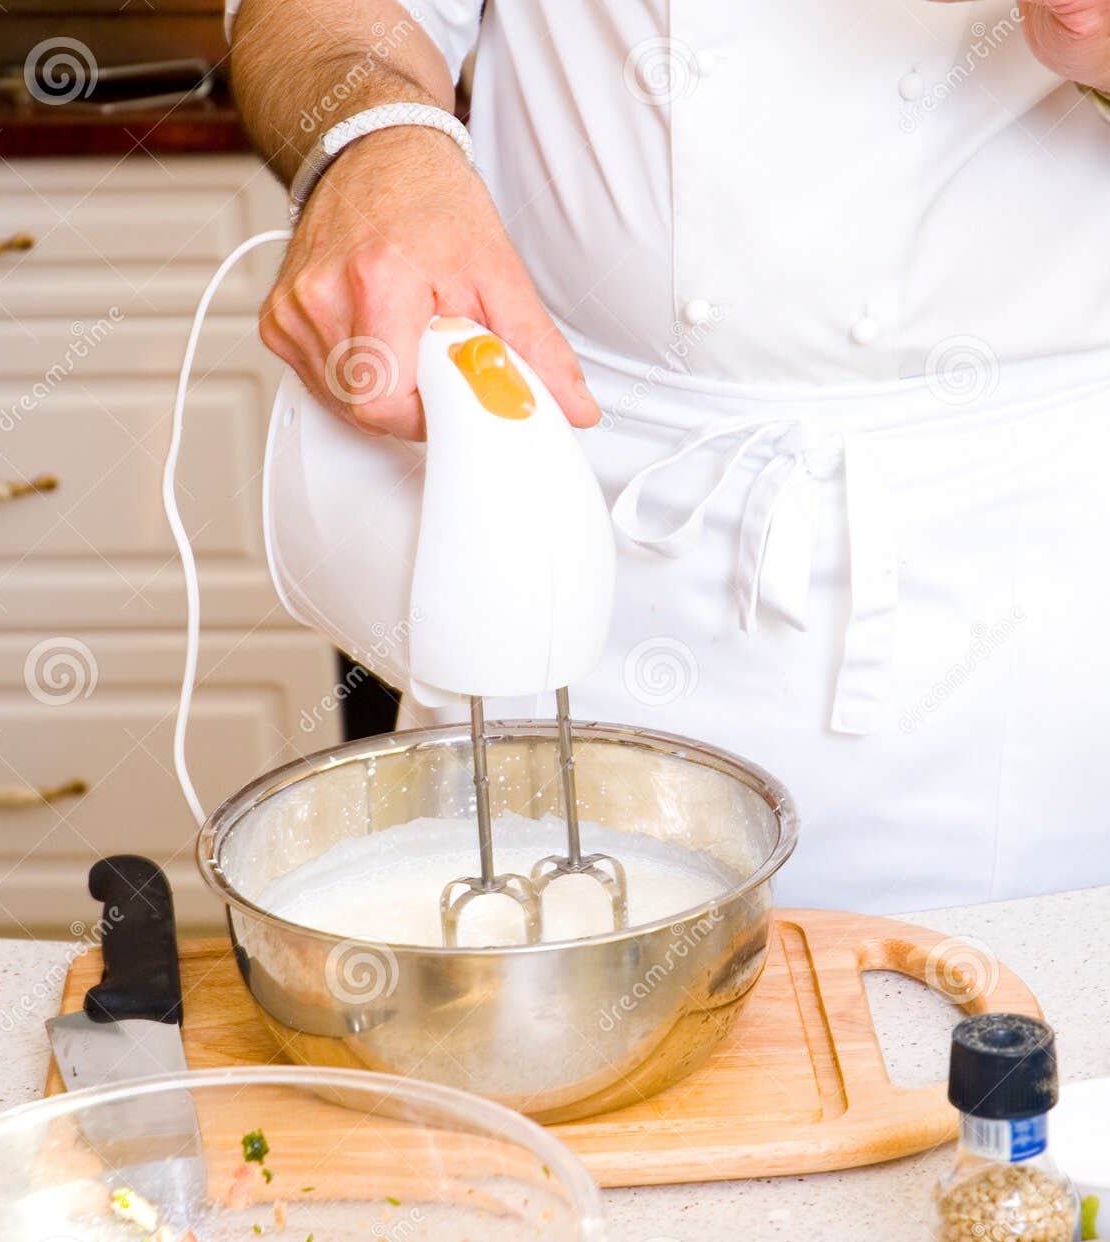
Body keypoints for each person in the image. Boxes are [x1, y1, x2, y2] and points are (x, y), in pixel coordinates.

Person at [227, 0, 1110, 912]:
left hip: (1021, 600)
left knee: (1030, 1030)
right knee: (517, 978)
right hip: (580, 510)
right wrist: (378, 142)